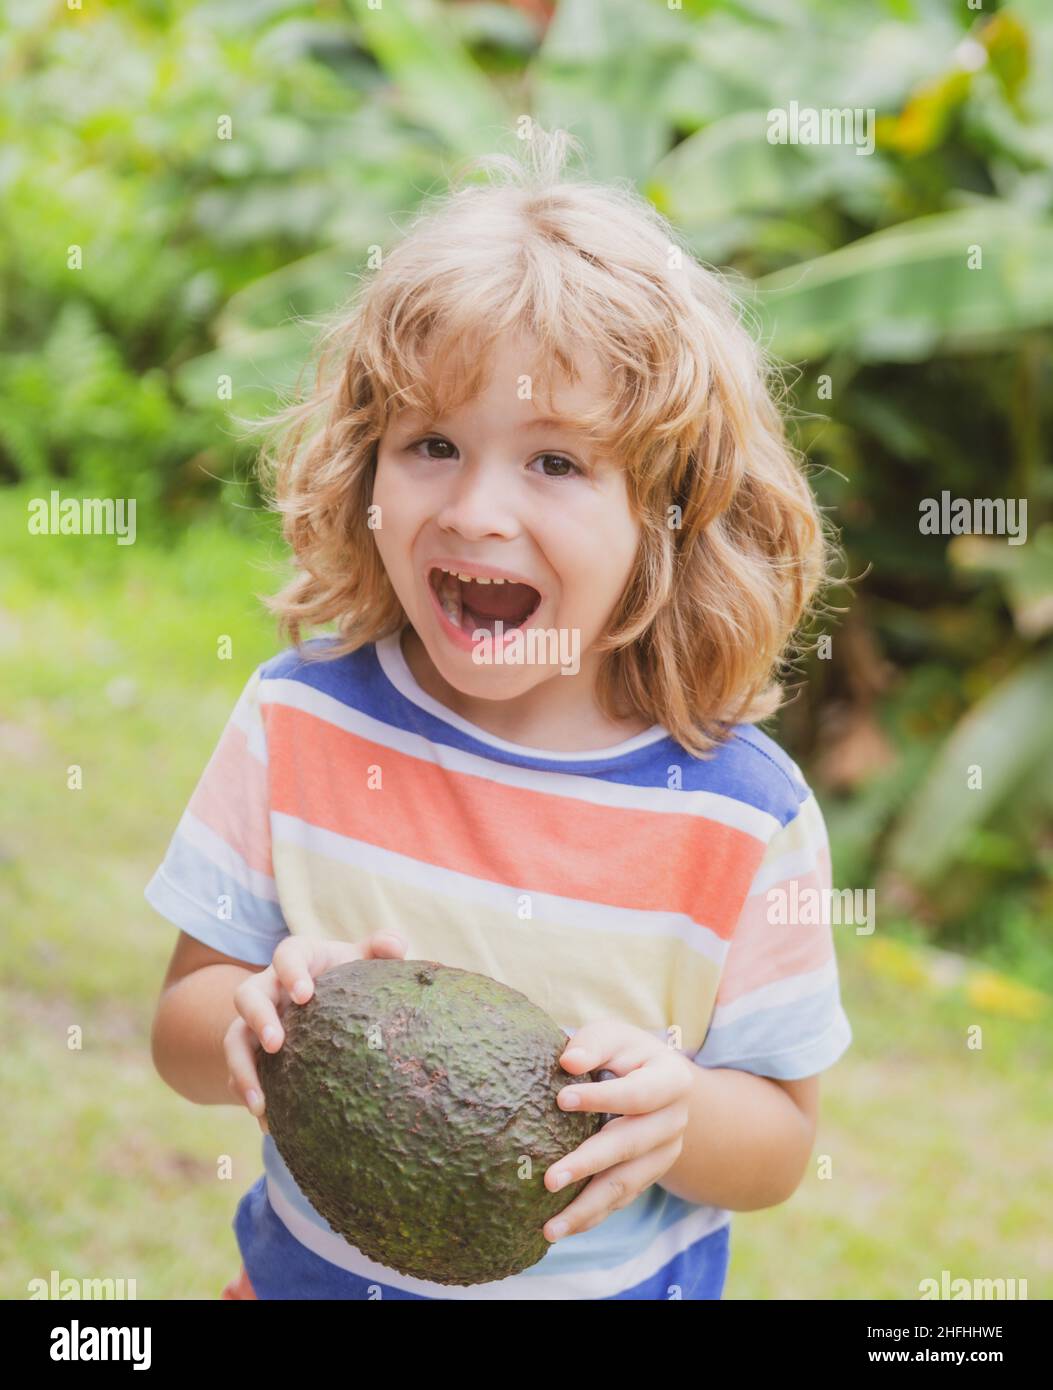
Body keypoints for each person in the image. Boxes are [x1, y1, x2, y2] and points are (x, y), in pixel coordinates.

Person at [148, 125, 851, 1300]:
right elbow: (181, 1025)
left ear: (669, 513)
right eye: (431, 444)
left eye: (556, 463)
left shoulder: (738, 815)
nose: (476, 509)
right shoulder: (301, 722)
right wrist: (254, 1012)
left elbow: (777, 1141)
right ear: (365, 469)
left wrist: (677, 1117)